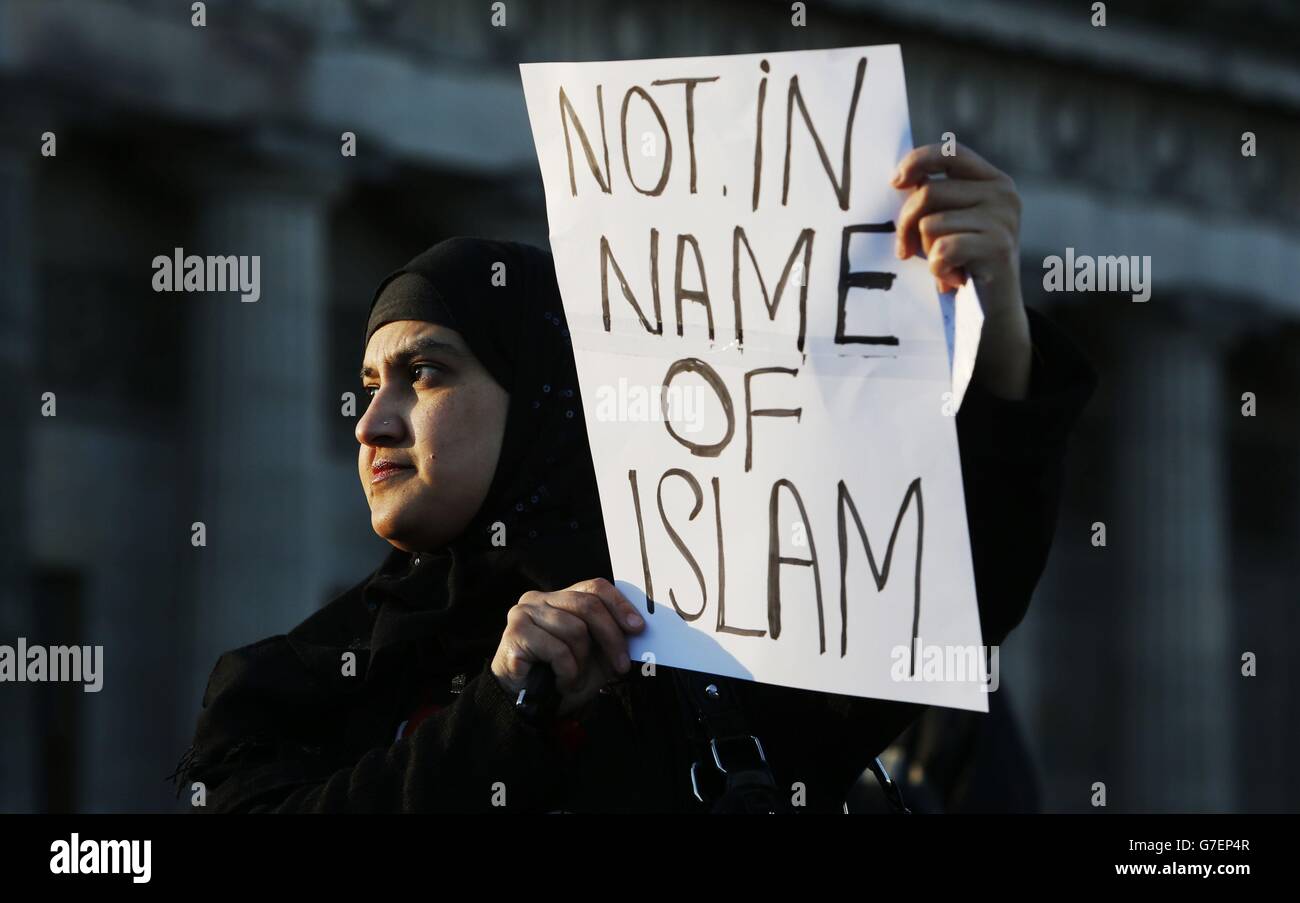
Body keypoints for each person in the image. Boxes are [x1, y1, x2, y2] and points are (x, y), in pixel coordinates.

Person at [170, 142, 1097, 813]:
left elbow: (947, 590)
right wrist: (502, 713)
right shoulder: (284, 682)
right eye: (368, 384)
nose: (372, 420)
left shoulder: (702, 646)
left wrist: (997, 313)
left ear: (543, 401)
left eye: (428, 373)